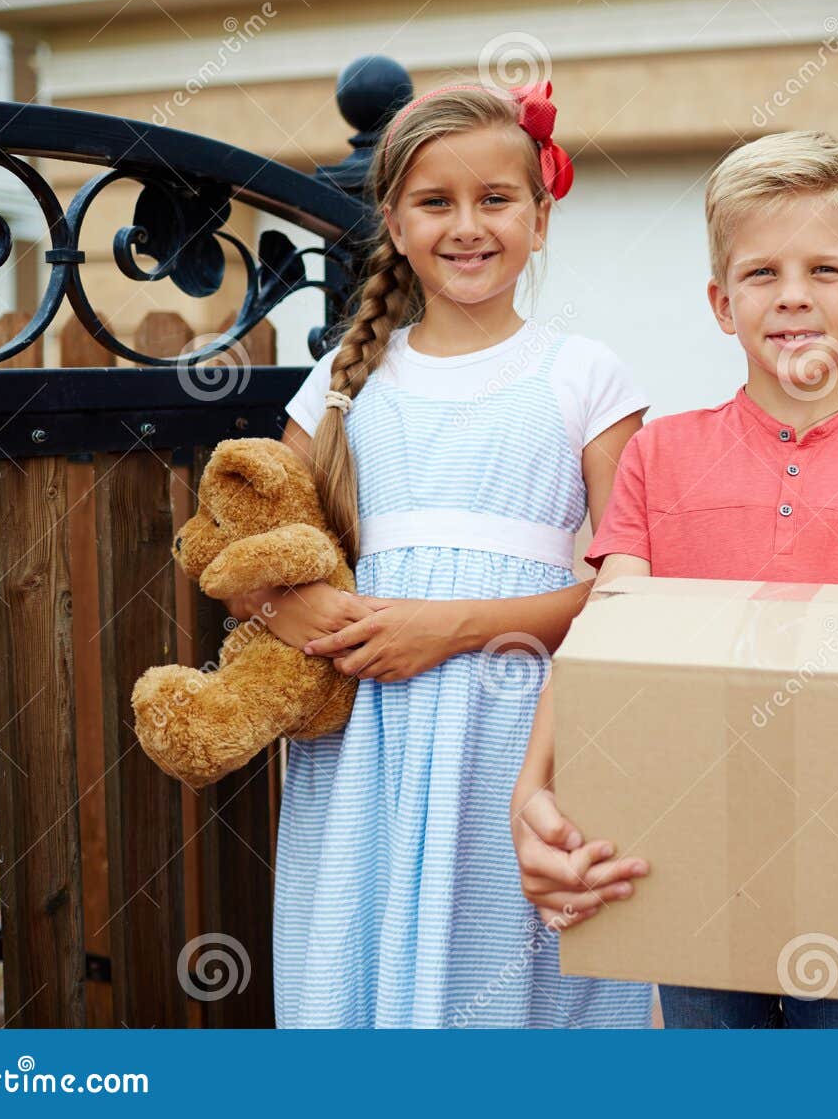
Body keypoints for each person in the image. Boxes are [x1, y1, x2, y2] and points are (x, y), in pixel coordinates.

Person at [510, 131, 838, 1029]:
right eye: (761, 273)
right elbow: (606, 632)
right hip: (687, 852)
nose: (793, 294)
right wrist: (535, 793)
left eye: (825, 270)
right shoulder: (660, 456)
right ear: (721, 303)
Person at [225, 81, 654, 1027]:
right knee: (363, 954)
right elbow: (255, 551)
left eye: (496, 200)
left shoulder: (585, 375)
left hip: (520, 721)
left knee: (509, 963)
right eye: (436, 202)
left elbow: (628, 587)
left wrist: (455, 628)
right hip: (366, 737)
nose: (469, 226)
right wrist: (285, 608)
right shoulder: (342, 384)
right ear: (395, 222)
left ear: (540, 218)